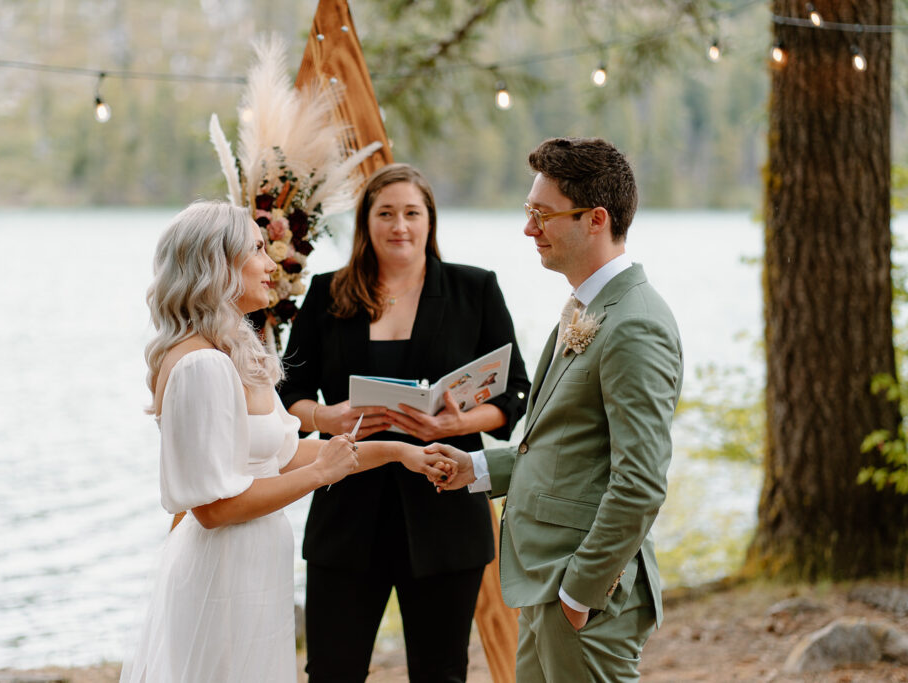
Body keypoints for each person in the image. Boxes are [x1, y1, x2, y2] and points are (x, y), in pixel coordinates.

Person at [119, 201, 453, 683]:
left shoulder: (236, 347)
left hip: (253, 568)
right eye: (257, 250)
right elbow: (212, 508)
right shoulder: (202, 365)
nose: (273, 264)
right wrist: (321, 475)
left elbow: (286, 453)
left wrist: (399, 453)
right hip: (221, 573)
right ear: (219, 262)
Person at [427, 137, 684, 682]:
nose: (528, 228)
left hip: (584, 595)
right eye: (528, 212)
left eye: (542, 215)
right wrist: (471, 468)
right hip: (547, 582)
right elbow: (559, 448)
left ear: (595, 219)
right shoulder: (586, 307)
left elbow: (639, 482)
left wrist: (579, 592)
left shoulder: (635, 323)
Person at [279, 163, 531, 682]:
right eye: (385, 213)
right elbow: (287, 393)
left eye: (411, 213)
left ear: (429, 220)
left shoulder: (474, 289)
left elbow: (515, 393)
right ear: (366, 222)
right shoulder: (327, 294)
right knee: (331, 672)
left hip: (443, 510)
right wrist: (325, 416)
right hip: (346, 510)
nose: (399, 226)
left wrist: (451, 426)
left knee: (440, 675)